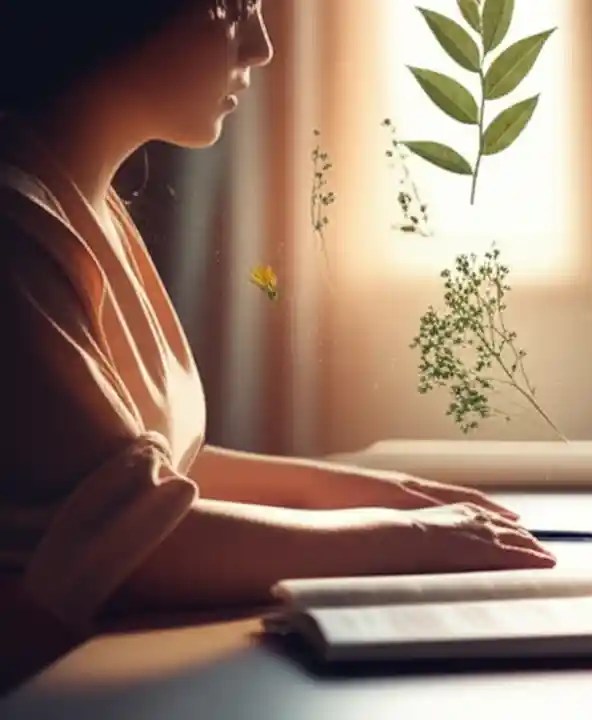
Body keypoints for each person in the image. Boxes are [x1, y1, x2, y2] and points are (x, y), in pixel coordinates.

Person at [0, 0, 555, 654]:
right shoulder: (16, 227)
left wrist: (357, 492)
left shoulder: (85, 201)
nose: (261, 47)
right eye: (233, 8)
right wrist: (417, 540)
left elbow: (140, 471)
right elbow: (131, 542)